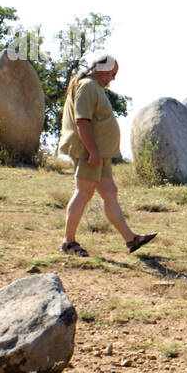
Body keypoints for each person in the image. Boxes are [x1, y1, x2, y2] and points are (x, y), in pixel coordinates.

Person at [58, 51, 156, 258]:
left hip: (99, 154)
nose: (113, 79)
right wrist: (93, 151)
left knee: (109, 192)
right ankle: (68, 242)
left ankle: (131, 239)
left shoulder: (92, 87)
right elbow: (81, 121)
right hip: (90, 152)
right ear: (101, 70)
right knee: (83, 192)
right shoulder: (87, 87)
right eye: (112, 74)